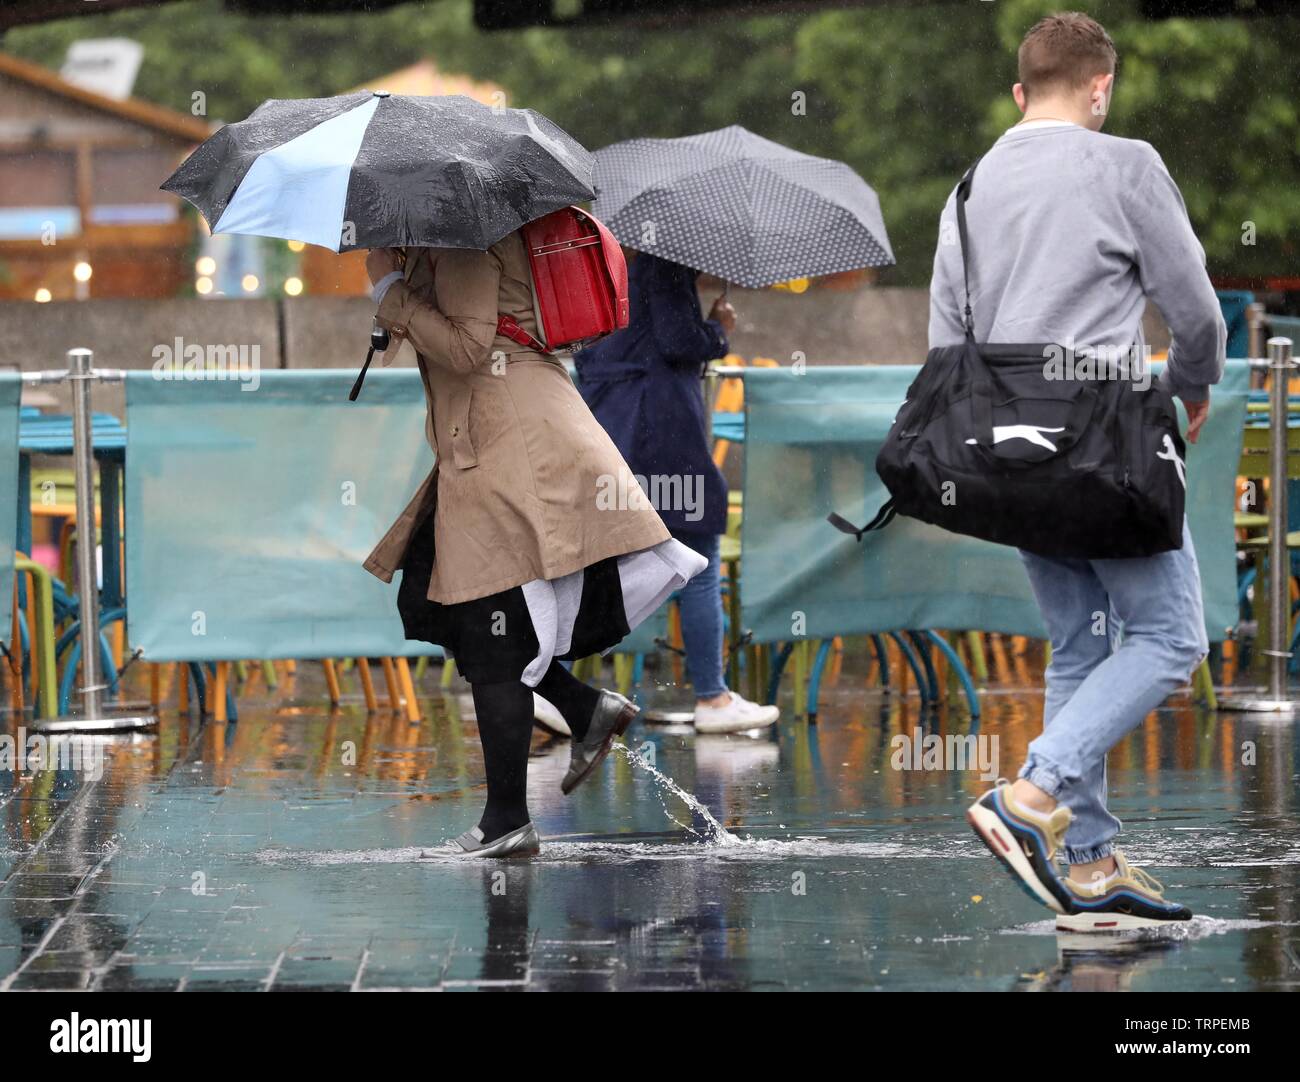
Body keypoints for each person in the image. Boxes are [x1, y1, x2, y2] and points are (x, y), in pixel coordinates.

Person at [943, 12, 1227, 929]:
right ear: (1099, 87)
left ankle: (1094, 864)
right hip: (1103, 436)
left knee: (1081, 642)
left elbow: (948, 337)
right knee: (1173, 636)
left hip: (1003, 443)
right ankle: (1030, 794)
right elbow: (1198, 314)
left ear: (1021, 94)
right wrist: (1189, 390)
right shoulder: (1125, 163)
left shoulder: (973, 183)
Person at [362, 235, 707, 859]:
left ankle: (508, 821)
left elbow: (468, 348)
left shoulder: (465, 239)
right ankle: (581, 711)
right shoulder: (441, 242)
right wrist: (398, 286)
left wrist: (391, 293)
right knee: (465, 617)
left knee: (495, 635)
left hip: (517, 450)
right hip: (488, 447)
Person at [575, 251, 780, 735]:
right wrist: (716, 329)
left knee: (599, 560)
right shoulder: (663, 256)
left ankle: (548, 684)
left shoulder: (598, 247)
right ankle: (711, 696)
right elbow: (676, 338)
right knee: (700, 554)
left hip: (607, 416)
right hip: (661, 426)